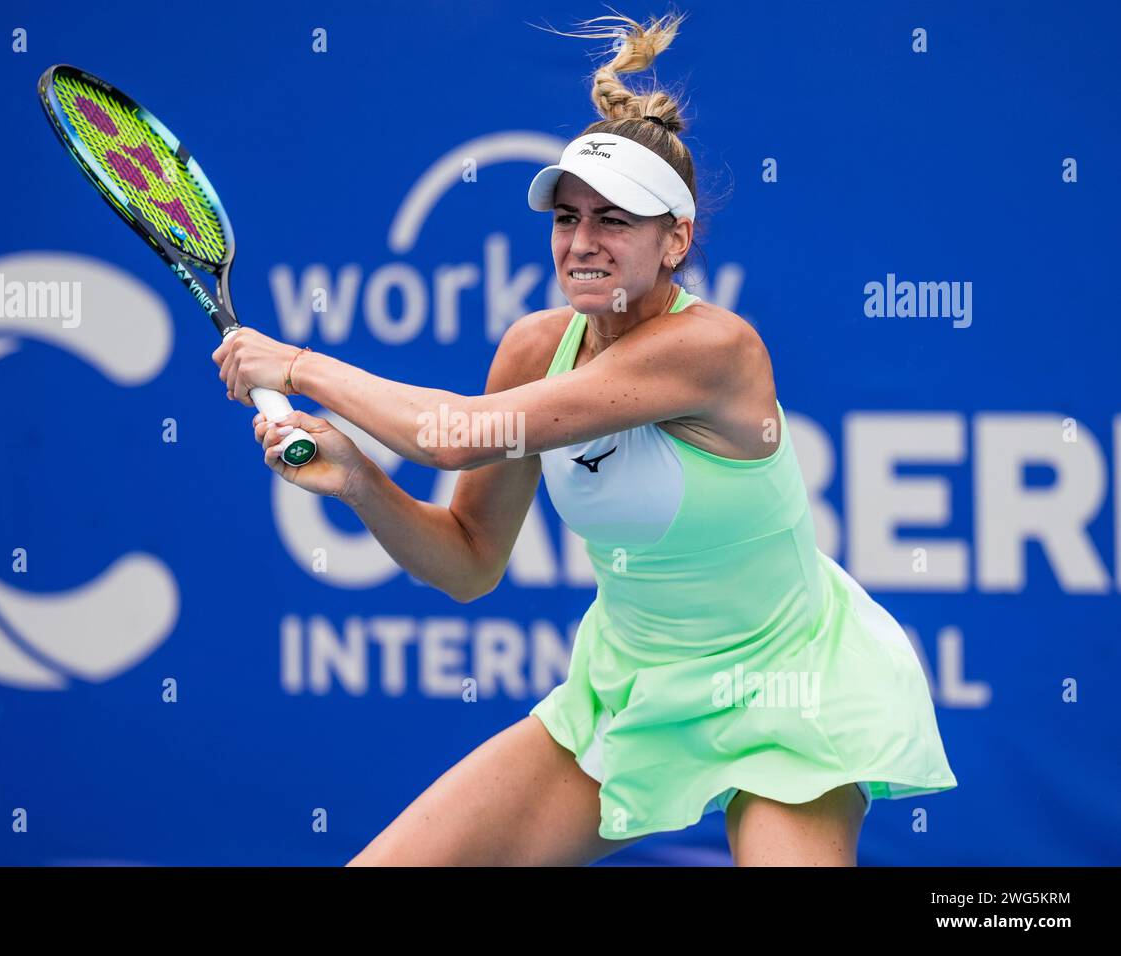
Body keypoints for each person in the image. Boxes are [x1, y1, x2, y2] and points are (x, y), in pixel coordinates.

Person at [211, 11, 957, 866]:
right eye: (568, 218)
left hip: (785, 687)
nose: (582, 242)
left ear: (675, 240)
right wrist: (358, 482)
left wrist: (297, 364)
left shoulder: (715, 350)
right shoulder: (535, 346)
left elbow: (450, 437)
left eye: (615, 221)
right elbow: (469, 560)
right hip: (626, 689)